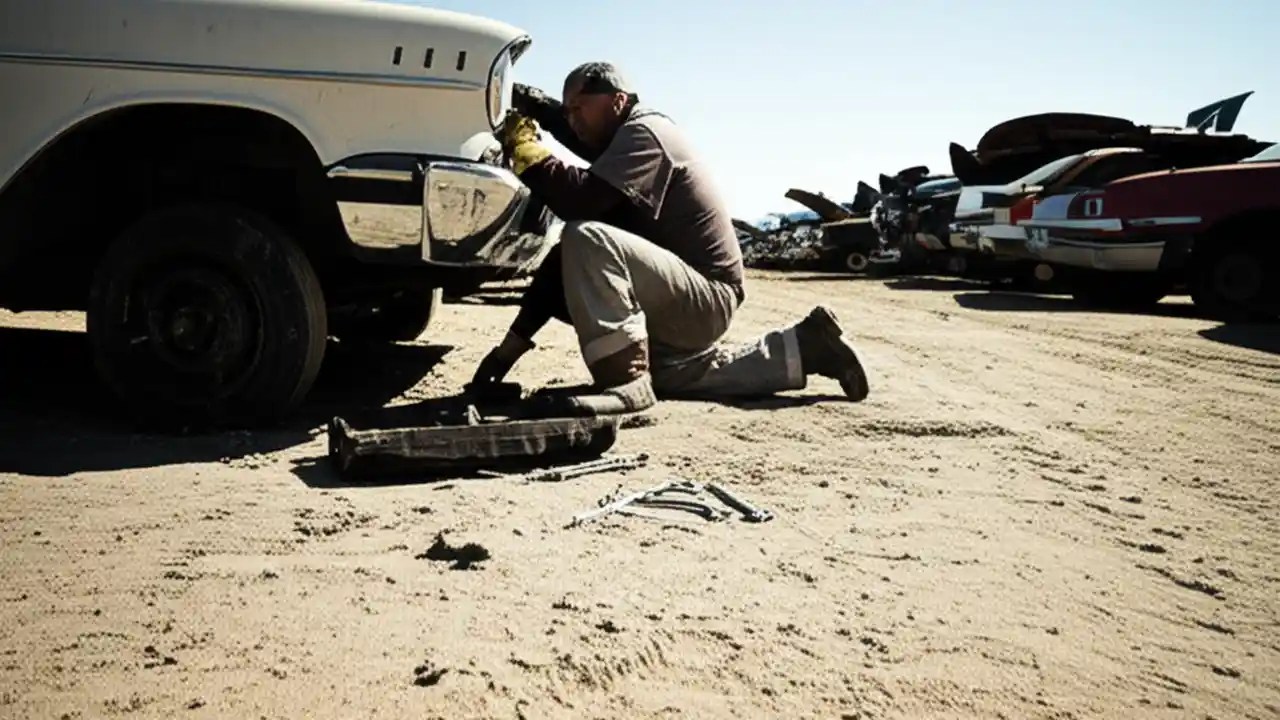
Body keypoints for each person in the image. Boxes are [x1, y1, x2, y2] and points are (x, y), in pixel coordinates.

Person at [470, 61, 870, 413]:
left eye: (579, 108)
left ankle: (624, 386)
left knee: (587, 237)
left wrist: (525, 149)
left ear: (618, 101)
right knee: (671, 374)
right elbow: (561, 261)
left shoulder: (646, 134)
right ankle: (807, 346)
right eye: (566, 110)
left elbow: (580, 202)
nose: (571, 120)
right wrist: (503, 357)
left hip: (705, 297)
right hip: (684, 297)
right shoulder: (621, 137)